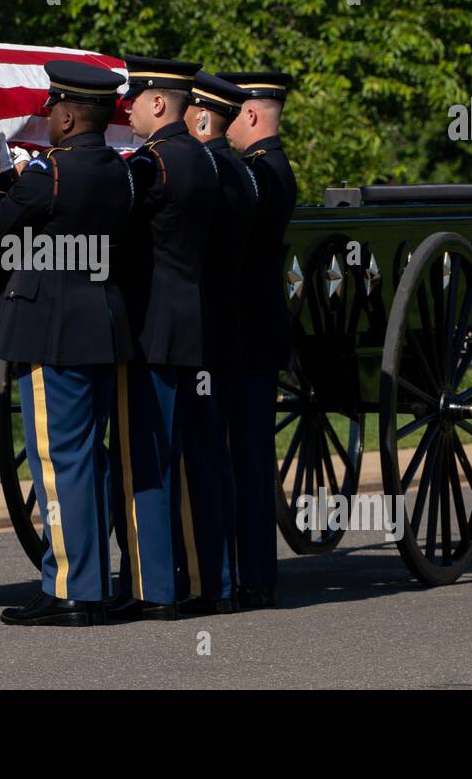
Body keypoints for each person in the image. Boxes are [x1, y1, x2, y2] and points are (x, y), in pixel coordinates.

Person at [0, 59, 135, 626]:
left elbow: (0, 235)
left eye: (52, 112)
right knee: (89, 458)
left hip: (53, 329)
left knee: (60, 461)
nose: (46, 120)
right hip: (103, 322)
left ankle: (72, 588)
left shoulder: (48, 174)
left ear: (69, 117)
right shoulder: (122, 173)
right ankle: (90, 582)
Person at [111, 55, 217, 622]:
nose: (125, 108)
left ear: (158, 102)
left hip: (150, 327)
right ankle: (200, 581)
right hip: (190, 321)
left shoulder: (152, 165)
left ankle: (153, 589)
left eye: (133, 99)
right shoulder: (201, 158)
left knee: (144, 459)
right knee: (182, 457)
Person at [172, 71, 259, 614]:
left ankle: (212, 583)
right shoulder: (239, 169)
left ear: (201, 116)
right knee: (213, 456)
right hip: (227, 330)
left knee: (201, 456)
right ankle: (219, 578)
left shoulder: (209, 168)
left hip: (206, 332)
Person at [218, 70, 299, 608]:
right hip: (251, 333)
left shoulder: (261, 173)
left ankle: (252, 576)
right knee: (245, 455)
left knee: (245, 456)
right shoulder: (265, 168)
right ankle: (250, 573)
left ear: (249, 114)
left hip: (246, 336)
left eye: (228, 116)